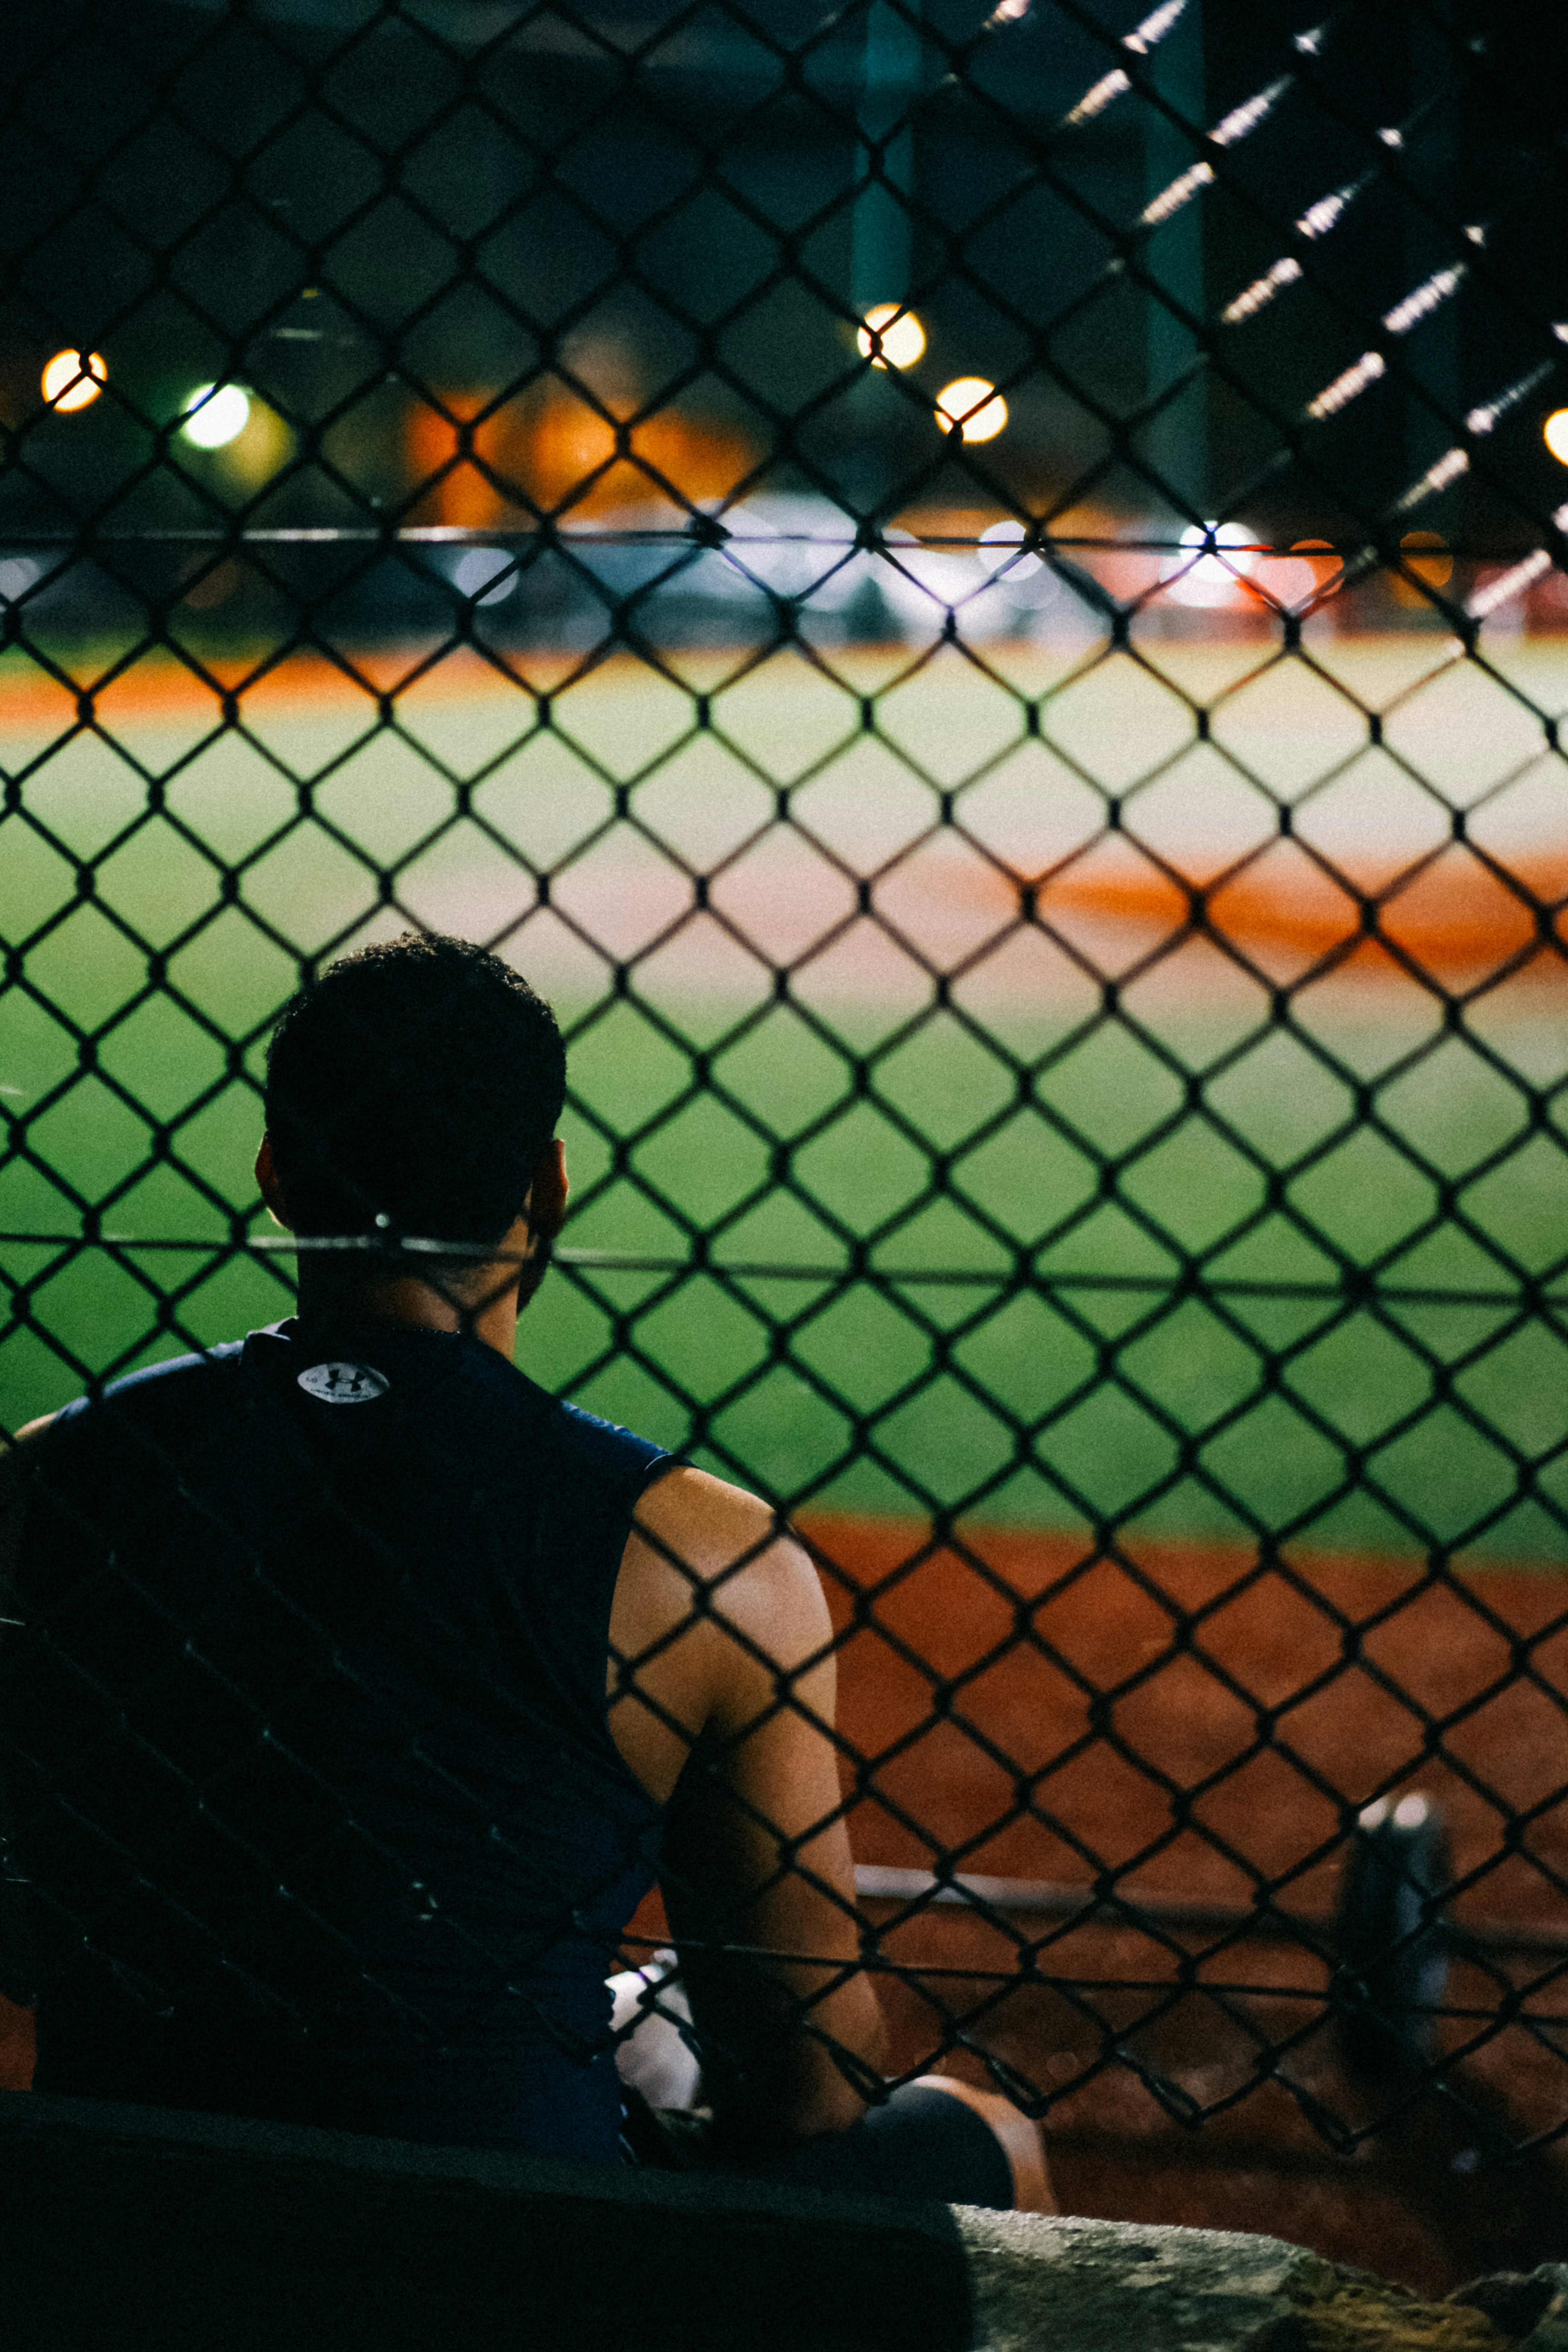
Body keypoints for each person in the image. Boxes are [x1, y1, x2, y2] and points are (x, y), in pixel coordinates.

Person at [0, 932, 1050, 2210]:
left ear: (276, 1177)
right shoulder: (702, 1554)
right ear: (549, 1190)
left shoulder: (53, 1480)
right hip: (526, 2265)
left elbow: (29, 1939)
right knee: (985, 2137)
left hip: (127, 2220)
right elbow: (809, 2087)